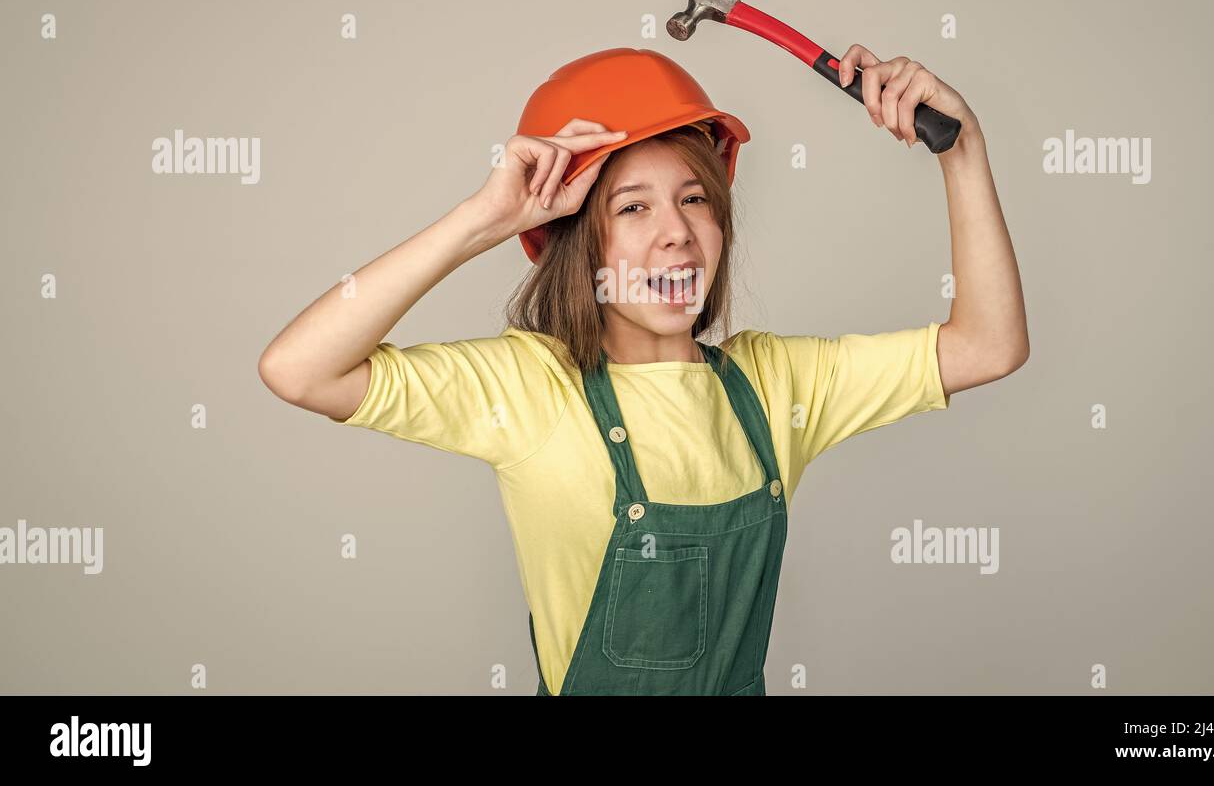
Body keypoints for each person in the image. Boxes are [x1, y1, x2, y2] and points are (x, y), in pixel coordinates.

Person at [258, 46, 1029, 696]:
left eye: (695, 197)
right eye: (632, 208)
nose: (677, 235)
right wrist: (483, 221)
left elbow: (988, 344)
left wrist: (962, 151)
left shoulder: (774, 386)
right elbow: (299, 368)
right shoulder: (532, 390)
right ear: (577, 242)